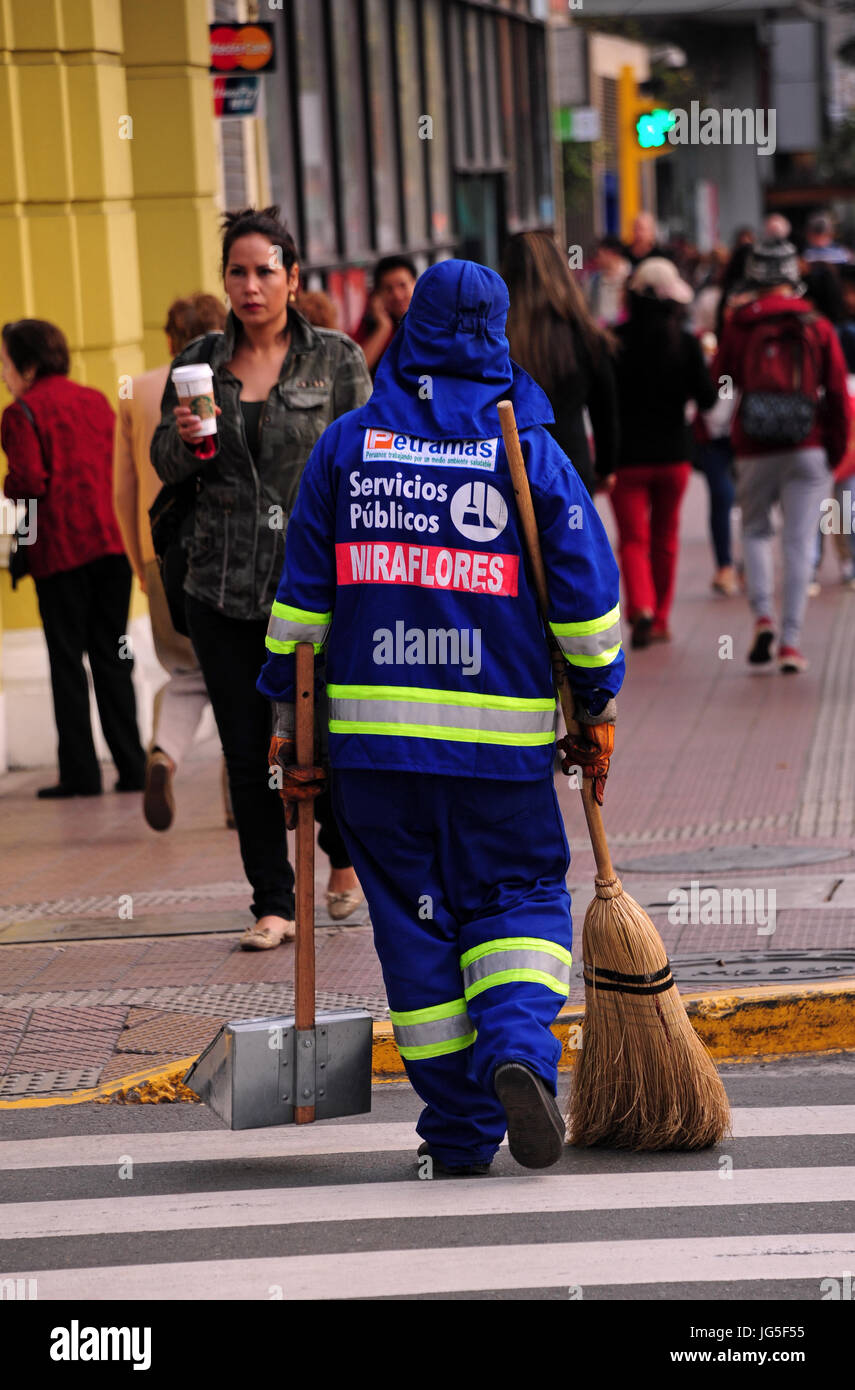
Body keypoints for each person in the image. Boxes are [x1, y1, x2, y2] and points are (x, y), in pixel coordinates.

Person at [258, 258, 624, 1175]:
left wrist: (286, 728)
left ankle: (459, 1132)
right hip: (498, 757)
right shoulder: (528, 453)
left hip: (375, 756)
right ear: (500, 338)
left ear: (409, 328)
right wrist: (597, 702)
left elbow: (302, 610)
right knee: (520, 896)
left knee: (415, 930)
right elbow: (584, 610)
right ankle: (516, 1051)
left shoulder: (346, 447)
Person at [151, 206, 373, 947]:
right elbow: (166, 464)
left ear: (292, 277)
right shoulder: (199, 363)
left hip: (312, 588)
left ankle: (341, 854)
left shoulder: (337, 359)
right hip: (219, 585)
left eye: (264, 271)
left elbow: (365, 461)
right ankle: (271, 902)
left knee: (322, 741)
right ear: (224, 280)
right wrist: (184, 441)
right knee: (248, 752)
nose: (250, 286)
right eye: (237, 272)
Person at [1, 319, 147, 798]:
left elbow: (28, 485)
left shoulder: (19, 413)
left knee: (67, 663)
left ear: (27, 364)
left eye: (4, 364)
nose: (3, 375)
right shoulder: (95, 400)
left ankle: (81, 773)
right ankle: (132, 765)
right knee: (113, 654)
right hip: (110, 544)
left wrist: (15, 514)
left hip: (60, 549)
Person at [113, 292, 227, 832]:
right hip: (229, 550)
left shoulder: (134, 390)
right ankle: (239, 798)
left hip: (162, 553)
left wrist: (140, 560)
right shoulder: (230, 381)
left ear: (168, 338)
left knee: (186, 671)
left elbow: (123, 488)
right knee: (240, 673)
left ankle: (165, 754)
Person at [714, 238, 850, 672]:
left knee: (755, 532)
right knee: (798, 542)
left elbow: (719, 379)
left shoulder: (739, 323)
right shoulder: (817, 324)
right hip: (807, 446)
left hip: (754, 444)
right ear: (794, 276)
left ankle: (763, 619)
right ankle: (791, 642)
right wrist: (835, 449)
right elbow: (839, 396)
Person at [611, 258, 718, 648]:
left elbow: (603, 403)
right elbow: (707, 399)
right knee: (665, 536)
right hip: (675, 455)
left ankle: (640, 606)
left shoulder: (614, 341)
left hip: (628, 458)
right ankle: (661, 618)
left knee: (633, 540)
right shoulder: (685, 343)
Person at [502, 230, 619, 497]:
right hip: (570, 463)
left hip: (507, 465)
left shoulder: (494, 335)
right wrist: (606, 466)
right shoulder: (586, 335)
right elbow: (605, 410)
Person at [352, 255, 417, 374]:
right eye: (388, 289)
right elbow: (355, 371)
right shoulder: (371, 325)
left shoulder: (432, 318)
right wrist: (383, 327)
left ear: (415, 284)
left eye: (402, 285)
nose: (397, 295)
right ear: (377, 295)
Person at [585, 235, 631, 326]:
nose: (596, 259)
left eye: (598, 254)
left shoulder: (631, 278)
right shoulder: (593, 280)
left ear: (610, 254)